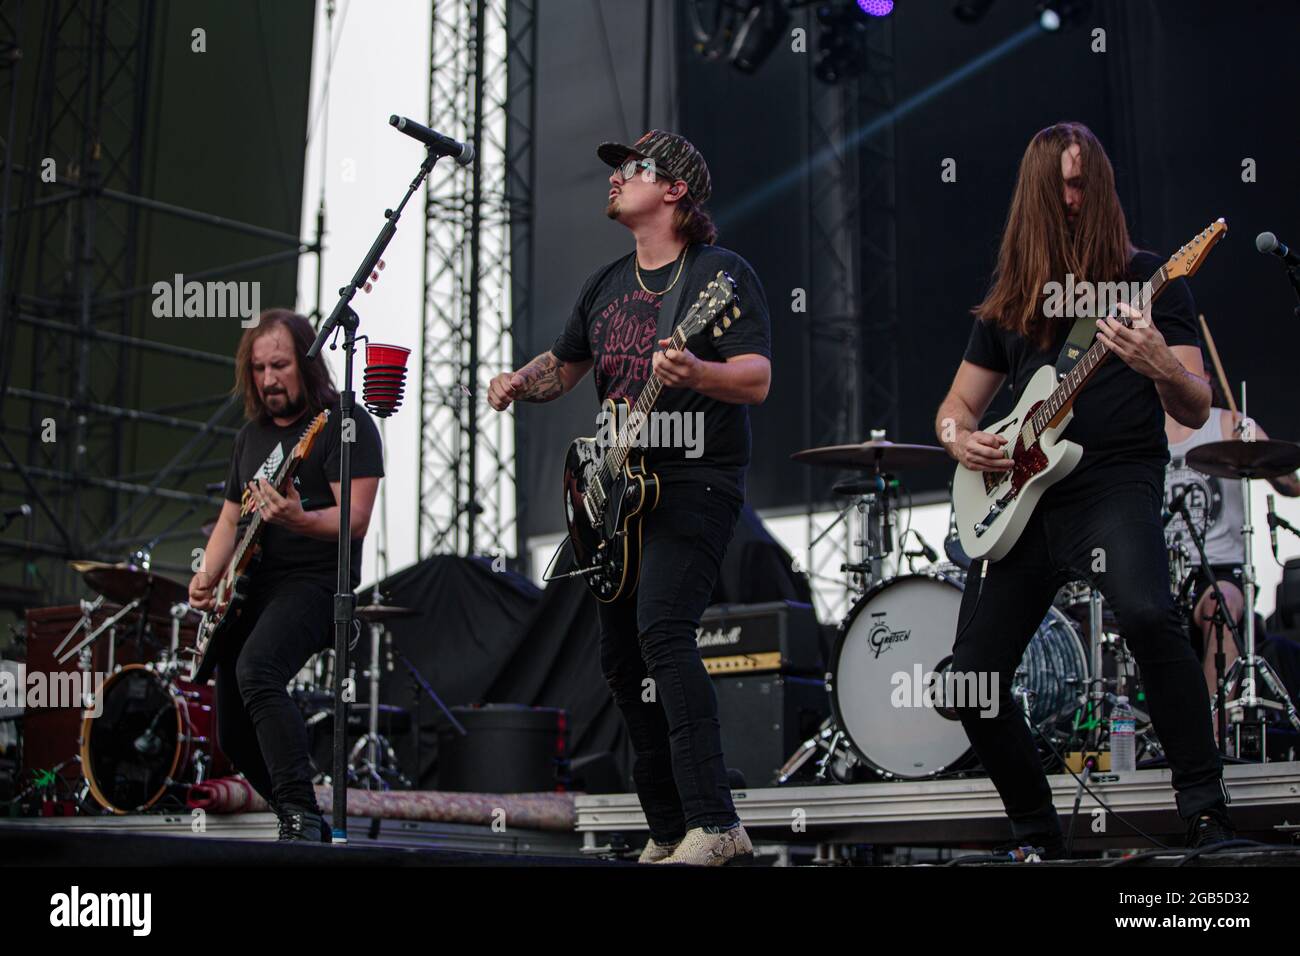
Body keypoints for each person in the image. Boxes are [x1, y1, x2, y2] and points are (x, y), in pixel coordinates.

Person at [935, 121, 1233, 855]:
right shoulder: (1013, 297)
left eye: (1086, 182)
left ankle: (1204, 811)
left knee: (1148, 615)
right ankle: (1037, 832)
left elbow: (1194, 406)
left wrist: (1160, 361)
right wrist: (959, 440)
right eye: (1064, 184)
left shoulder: (1149, 277)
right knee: (967, 678)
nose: (1077, 196)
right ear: (1038, 192)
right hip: (1023, 501)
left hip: (1114, 482)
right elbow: (954, 409)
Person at [488, 130, 771, 865]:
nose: (615, 179)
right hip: (619, 499)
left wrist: (695, 377)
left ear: (675, 190)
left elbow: (756, 378)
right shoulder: (606, 284)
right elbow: (566, 366)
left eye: (632, 170)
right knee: (620, 660)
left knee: (663, 632)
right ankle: (671, 826)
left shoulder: (718, 275)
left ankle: (718, 823)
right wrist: (522, 383)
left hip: (694, 482)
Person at [188, 309, 384, 842]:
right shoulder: (249, 437)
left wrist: (298, 517)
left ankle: (298, 817)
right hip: (250, 590)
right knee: (230, 729)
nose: (269, 379)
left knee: (258, 669)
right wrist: (207, 576)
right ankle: (302, 817)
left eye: (279, 365)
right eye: (258, 368)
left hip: (316, 584)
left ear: (305, 362)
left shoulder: (343, 419)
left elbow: (357, 519)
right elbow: (231, 517)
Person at [1165, 402, 1300, 697]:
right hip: (1159, 566)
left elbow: (1292, 485)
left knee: (1221, 605)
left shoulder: (1227, 424)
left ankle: (1212, 730)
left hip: (1218, 568)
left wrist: (1252, 443)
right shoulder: (1144, 428)